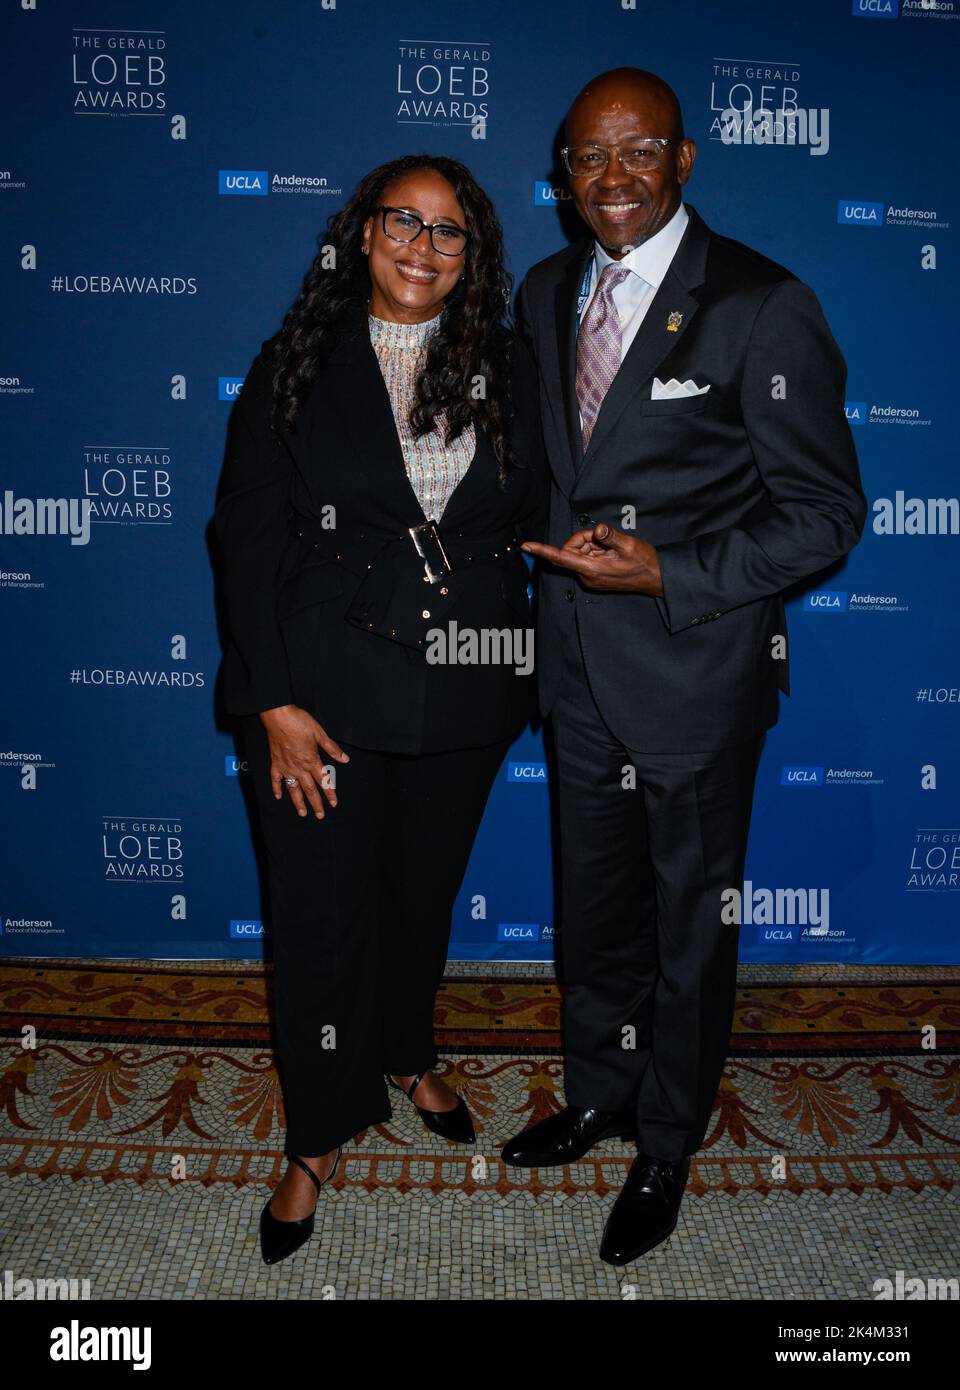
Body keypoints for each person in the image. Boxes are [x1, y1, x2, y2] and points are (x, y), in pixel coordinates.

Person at [501, 68, 867, 1265]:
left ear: (685, 159)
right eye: (585, 159)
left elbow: (824, 516)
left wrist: (667, 573)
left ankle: (668, 1137)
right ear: (563, 177)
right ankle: (602, 1090)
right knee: (593, 915)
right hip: (575, 677)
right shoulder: (547, 290)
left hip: (698, 678)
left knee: (688, 926)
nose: (609, 179)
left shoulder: (763, 305)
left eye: (636, 152)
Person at [214, 154, 546, 1265]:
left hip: (470, 684)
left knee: (420, 897)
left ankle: (406, 1047)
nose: (423, 244)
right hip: (324, 694)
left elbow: (545, 509)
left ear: (473, 255)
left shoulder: (509, 363)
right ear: (361, 234)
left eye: (450, 231)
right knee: (316, 918)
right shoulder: (295, 362)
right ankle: (317, 1130)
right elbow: (247, 539)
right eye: (403, 220)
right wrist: (271, 700)